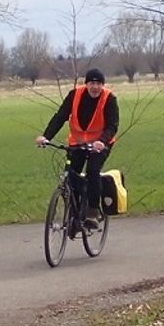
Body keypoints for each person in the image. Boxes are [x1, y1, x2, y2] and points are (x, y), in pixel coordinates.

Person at [35, 67, 118, 229]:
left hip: (101, 144)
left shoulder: (109, 98)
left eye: (99, 83)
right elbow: (60, 117)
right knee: (71, 176)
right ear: (86, 84)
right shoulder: (74, 95)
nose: (95, 87)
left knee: (92, 171)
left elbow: (112, 125)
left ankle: (93, 211)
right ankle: (75, 213)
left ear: (103, 85)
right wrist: (46, 137)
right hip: (77, 143)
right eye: (92, 83)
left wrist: (102, 141)